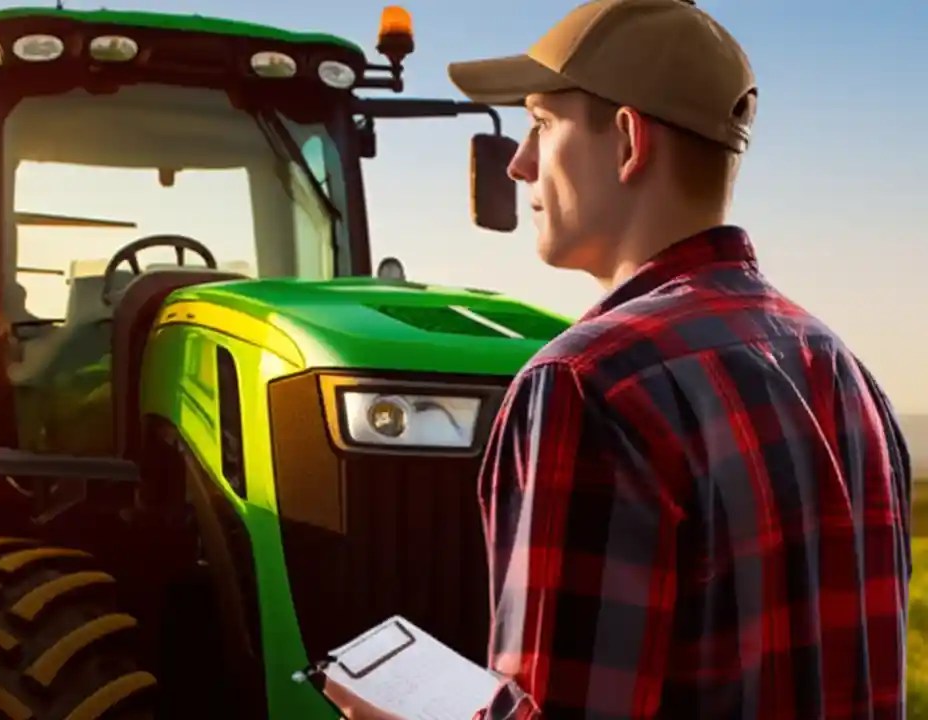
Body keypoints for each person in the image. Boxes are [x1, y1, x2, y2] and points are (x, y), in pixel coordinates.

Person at [325, 0, 913, 717]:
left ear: (629, 141)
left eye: (542, 124)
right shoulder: (840, 368)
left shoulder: (584, 383)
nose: (518, 163)